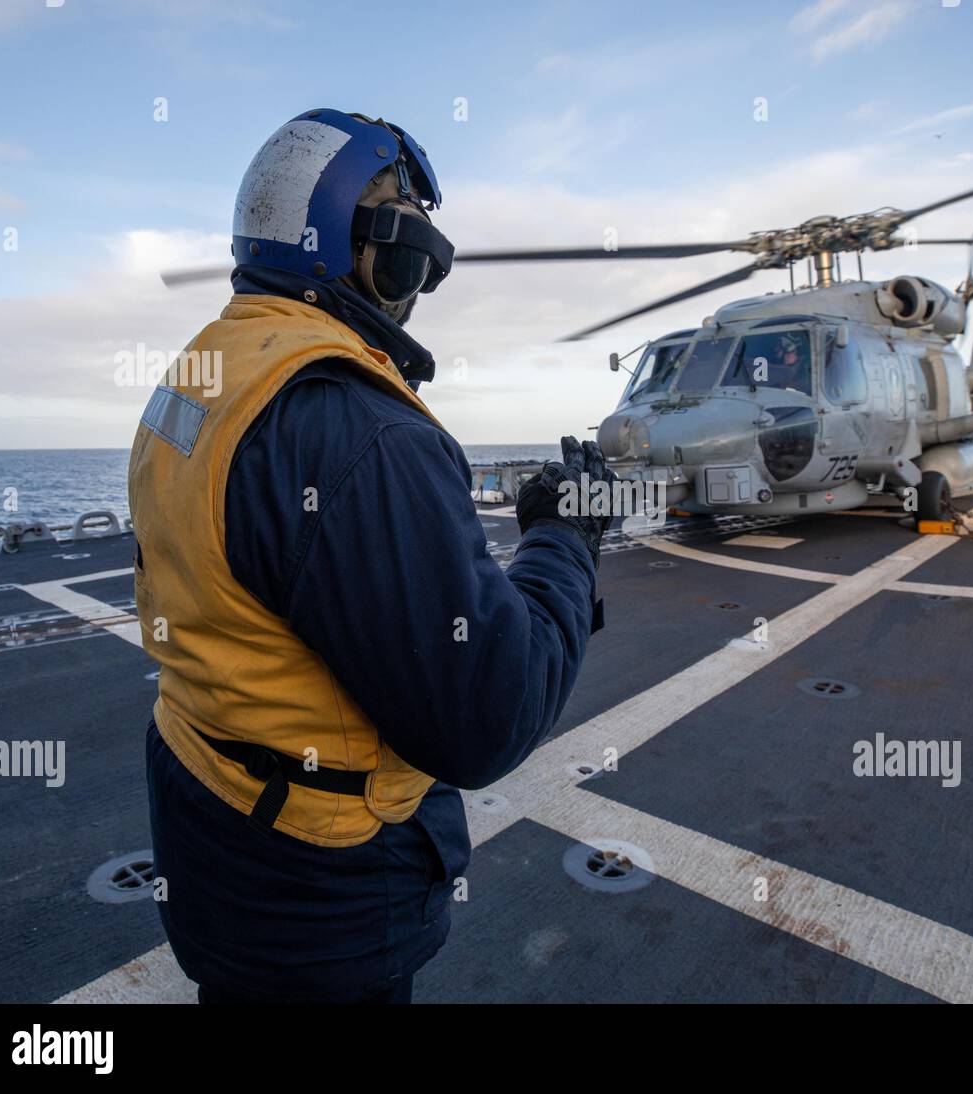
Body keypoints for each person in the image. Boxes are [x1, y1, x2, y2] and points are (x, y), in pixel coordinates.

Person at [129, 108, 615, 1003]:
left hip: (211, 826)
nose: (418, 282)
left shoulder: (202, 373)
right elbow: (487, 714)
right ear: (378, 254)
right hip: (321, 890)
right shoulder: (365, 433)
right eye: (417, 255)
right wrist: (565, 540)